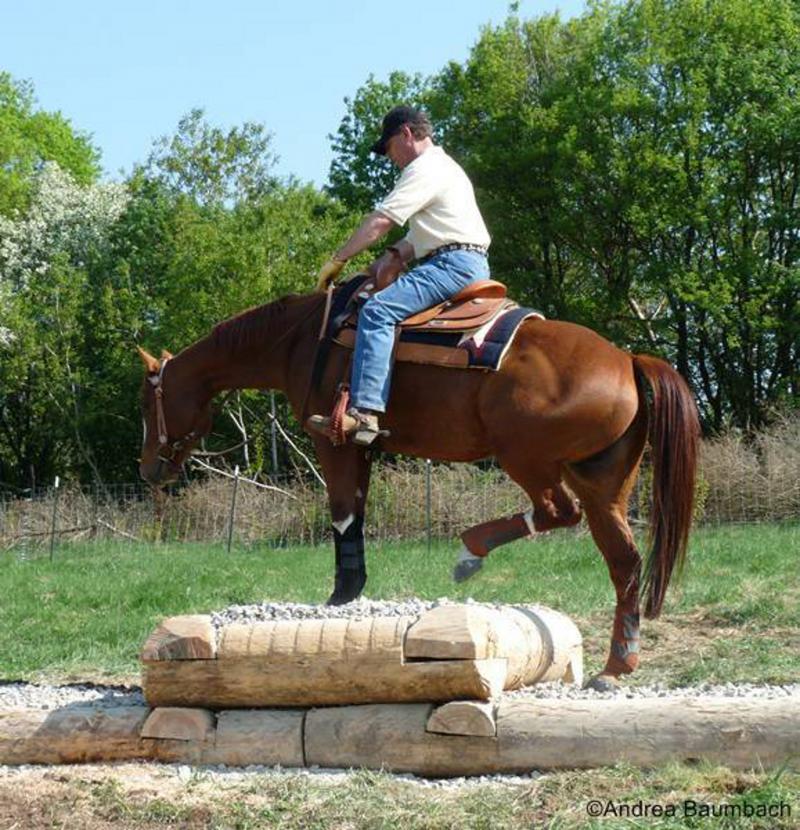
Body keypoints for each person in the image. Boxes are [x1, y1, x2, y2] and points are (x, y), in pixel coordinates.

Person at [308, 105, 491, 445]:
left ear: (406, 134)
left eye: (389, 147)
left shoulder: (424, 168)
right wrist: (391, 256)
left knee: (377, 312)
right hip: (467, 260)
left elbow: (381, 221)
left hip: (452, 265)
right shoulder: (446, 167)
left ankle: (364, 414)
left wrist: (338, 259)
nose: (391, 158)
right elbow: (426, 235)